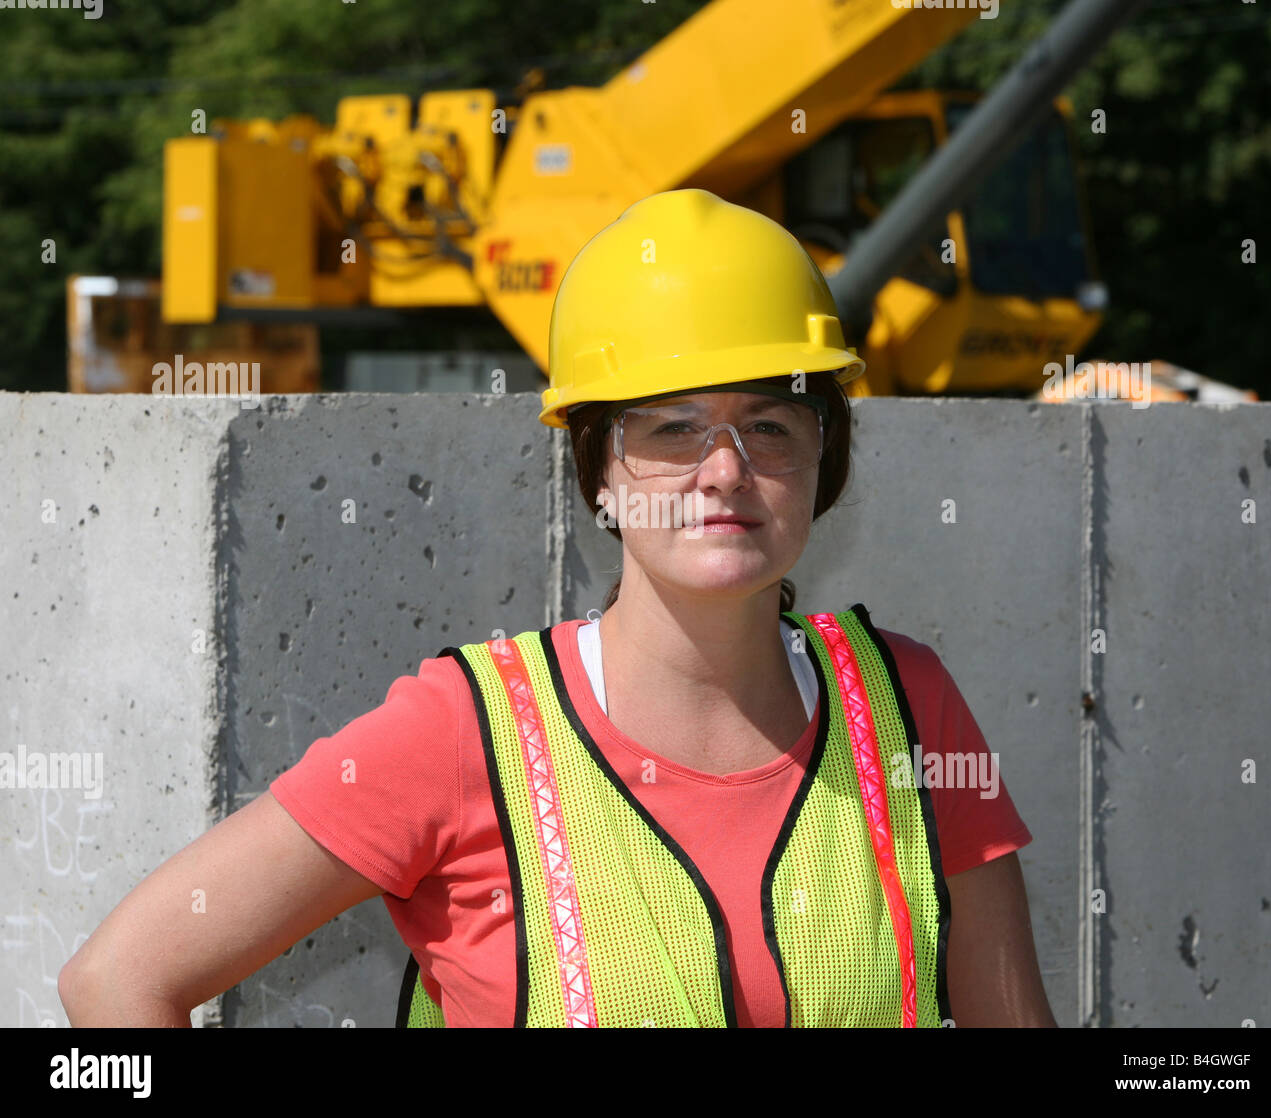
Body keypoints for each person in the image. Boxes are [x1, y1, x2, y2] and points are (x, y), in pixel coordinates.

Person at [58, 188, 1055, 1028]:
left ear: (821, 461)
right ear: (599, 473)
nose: (723, 472)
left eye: (770, 425)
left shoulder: (908, 708)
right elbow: (116, 980)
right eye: (671, 429)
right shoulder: (463, 734)